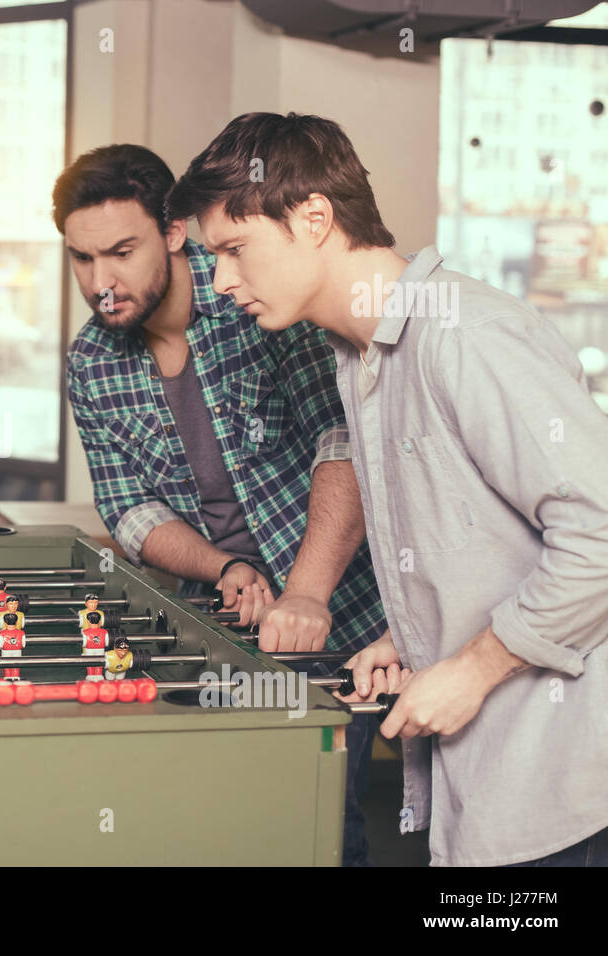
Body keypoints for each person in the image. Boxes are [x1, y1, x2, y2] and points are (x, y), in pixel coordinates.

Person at [169, 110, 608, 866]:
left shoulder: (466, 337)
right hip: (486, 800)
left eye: (235, 249)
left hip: (563, 797)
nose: (220, 280)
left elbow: (600, 530)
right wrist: (411, 637)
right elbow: (484, 541)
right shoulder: (362, 359)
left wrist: (473, 667)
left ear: (312, 219)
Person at [53, 144, 386, 865]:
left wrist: (304, 594)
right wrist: (225, 566)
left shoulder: (257, 293)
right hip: (214, 627)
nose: (101, 283)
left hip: (340, 614)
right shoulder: (89, 362)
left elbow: (344, 441)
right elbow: (130, 510)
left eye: (120, 252)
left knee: (320, 826)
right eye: (82, 260)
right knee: (216, 825)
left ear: (173, 231)